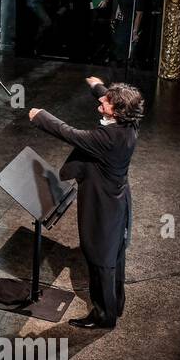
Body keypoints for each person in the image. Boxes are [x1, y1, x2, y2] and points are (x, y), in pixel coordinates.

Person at [28, 78, 143, 329]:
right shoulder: (130, 125)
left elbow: (69, 133)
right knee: (115, 254)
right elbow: (111, 97)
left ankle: (104, 315)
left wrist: (40, 116)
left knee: (100, 257)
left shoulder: (107, 138)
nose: (102, 101)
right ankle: (116, 302)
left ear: (117, 111)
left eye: (107, 102)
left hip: (102, 205)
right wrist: (97, 87)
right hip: (118, 200)